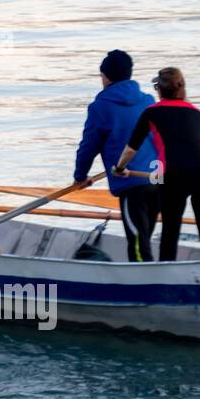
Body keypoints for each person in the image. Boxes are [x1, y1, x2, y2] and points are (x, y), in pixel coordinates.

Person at [113, 67, 200, 261]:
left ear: (158, 89)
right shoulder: (196, 113)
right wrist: (199, 171)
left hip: (173, 175)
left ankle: (165, 277)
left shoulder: (151, 113)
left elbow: (132, 148)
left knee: (170, 232)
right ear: (181, 87)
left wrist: (119, 168)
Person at [73, 49, 161, 261]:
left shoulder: (101, 107)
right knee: (145, 236)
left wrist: (80, 177)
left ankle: (144, 287)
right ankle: (151, 279)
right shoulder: (148, 100)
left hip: (132, 183)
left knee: (138, 241)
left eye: (101, 76)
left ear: (107, 77)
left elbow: (89, 145)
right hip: (158, 179)